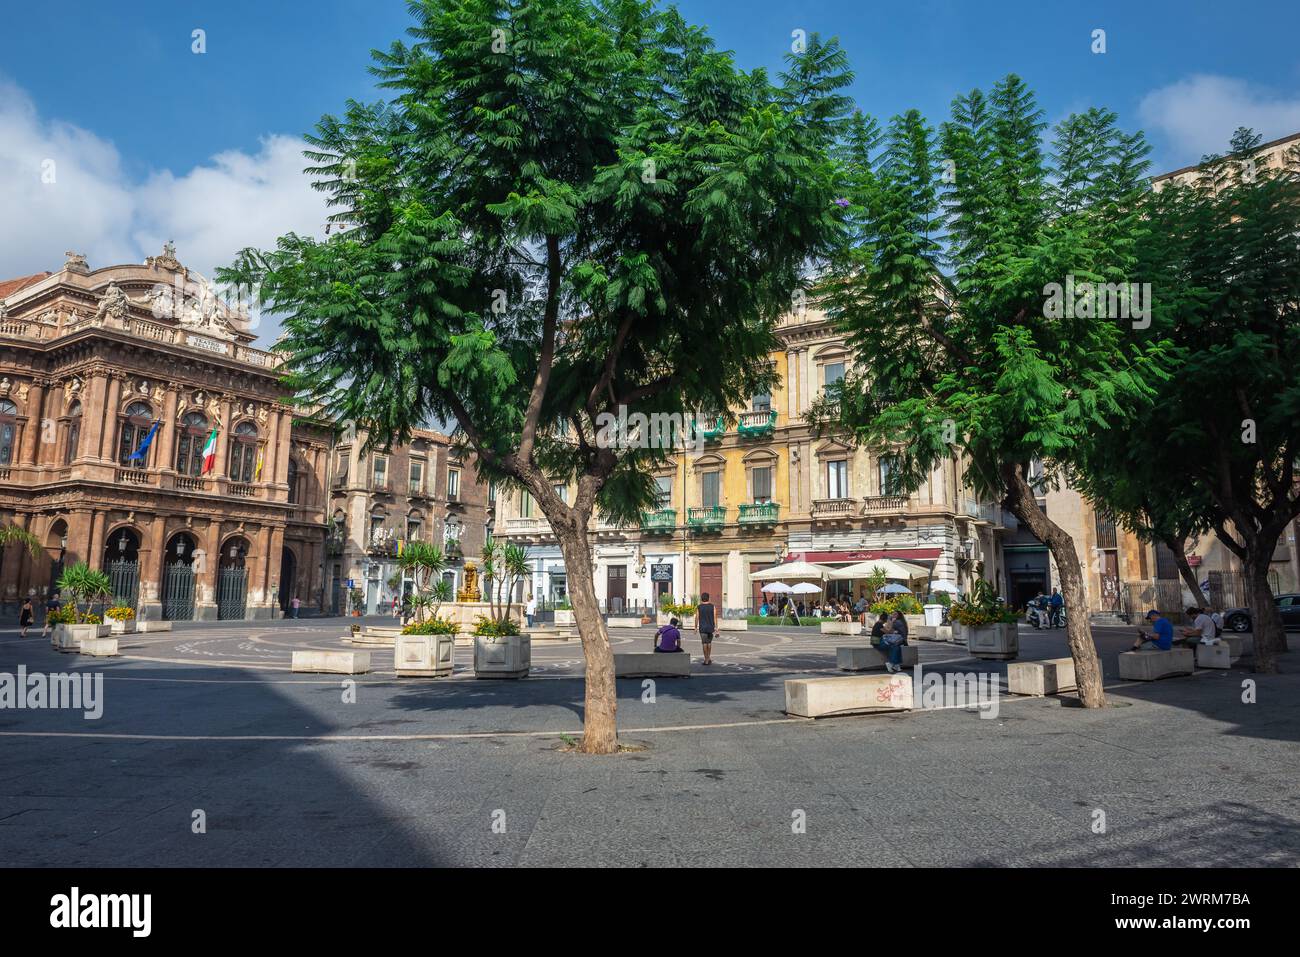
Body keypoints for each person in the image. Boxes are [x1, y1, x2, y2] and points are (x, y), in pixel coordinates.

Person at [697, 592, 717, 666]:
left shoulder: (699, 607)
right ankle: (708, 658)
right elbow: (715, 618)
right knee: (709, 643)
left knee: (704, 643)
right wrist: (716, 628)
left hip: (702, 627)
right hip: (710, 627)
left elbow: (697, 617)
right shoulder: (712, 606)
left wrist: (695, 627)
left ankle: (706, 659)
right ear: (708, 598)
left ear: (702, 598)